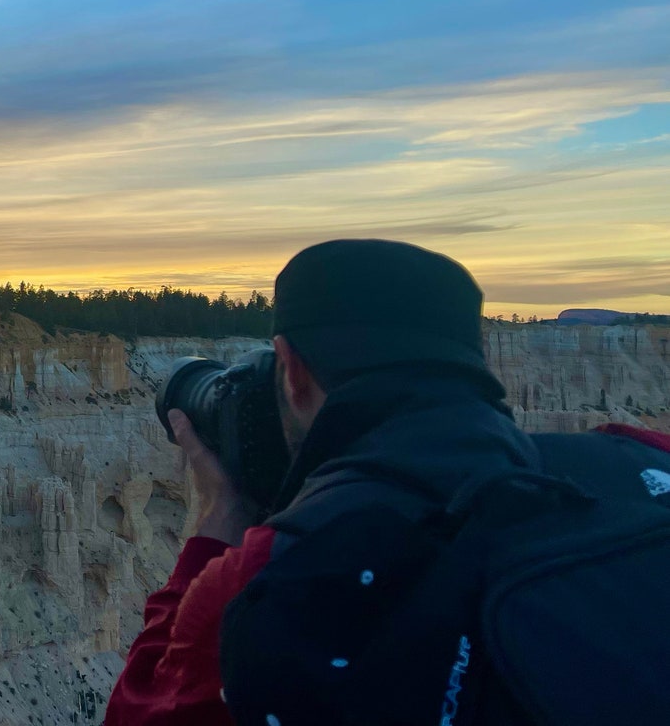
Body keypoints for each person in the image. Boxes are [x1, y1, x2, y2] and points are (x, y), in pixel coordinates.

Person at [104, 238, 670, 726]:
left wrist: (219, 521)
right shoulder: (639, 456)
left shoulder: (273, 575)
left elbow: (143, 707)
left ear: (293, 371)